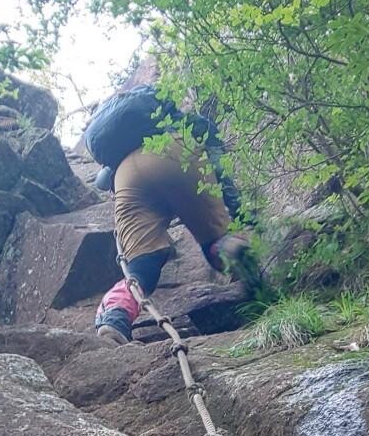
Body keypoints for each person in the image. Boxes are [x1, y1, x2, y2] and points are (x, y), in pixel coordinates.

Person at [85, 85, 254, 345]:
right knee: (217, 239)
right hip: (177, 150)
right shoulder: (182, 122)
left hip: (127, 175)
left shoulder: (113, 144)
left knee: (141, 265)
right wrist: (241, 212)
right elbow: (218, 164)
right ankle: (238, 261)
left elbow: (101, 182)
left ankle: (115, 318)